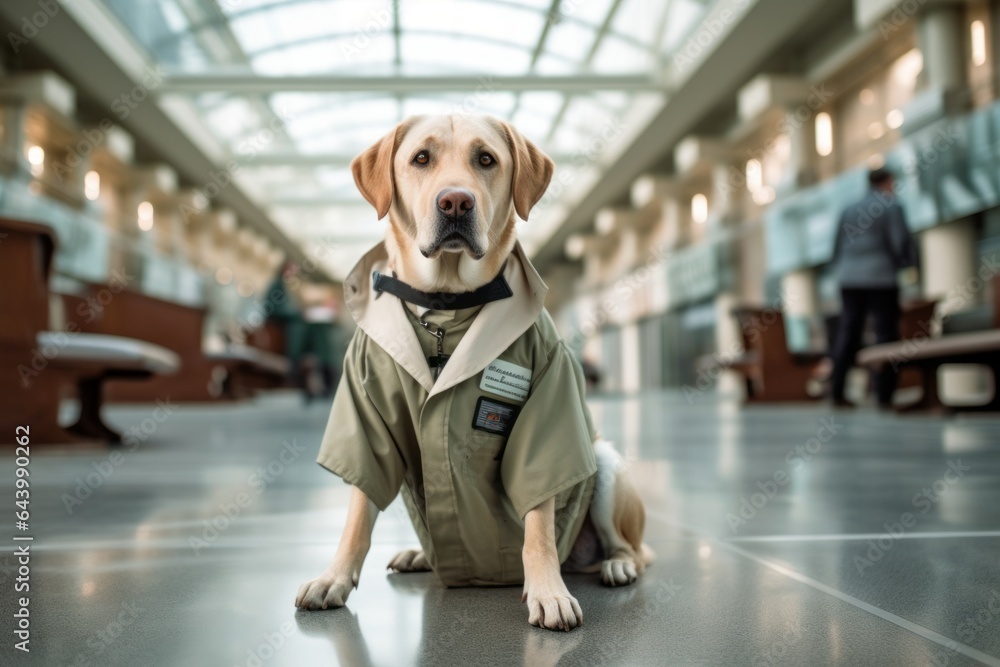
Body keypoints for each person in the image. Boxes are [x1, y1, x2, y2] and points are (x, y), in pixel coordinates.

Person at [829, 167, 920, 408]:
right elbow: (900, 242)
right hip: (880, 278)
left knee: (848, 332)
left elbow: (836, 247)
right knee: (885, 333)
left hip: (849, 279)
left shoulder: (848, 208)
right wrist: (910, 265)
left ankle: (836, 392)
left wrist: (844, 269)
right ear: (887, 181)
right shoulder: (891, 206)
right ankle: (884, 395)